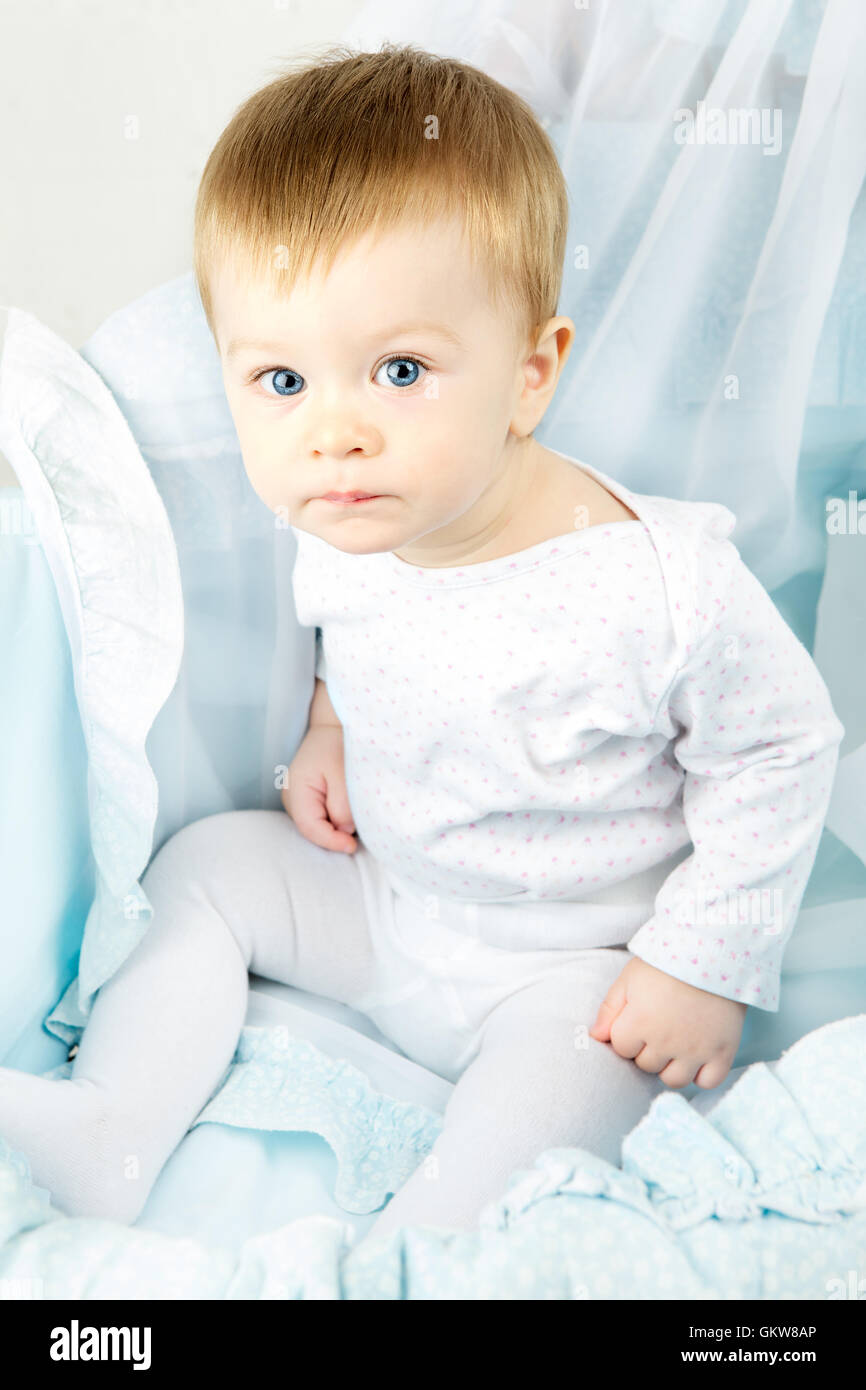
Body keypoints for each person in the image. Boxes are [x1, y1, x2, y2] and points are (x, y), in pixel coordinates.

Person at [0, 43, 844, 1245]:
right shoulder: (344, 517)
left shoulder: (658, 585)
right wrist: (329, 726)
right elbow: (351, 638)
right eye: (280, 379)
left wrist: (697, 963)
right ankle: (108, 1127)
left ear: (528, 373)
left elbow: (781, 746)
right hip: (387, 903)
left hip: (571, 970)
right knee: (203, 868)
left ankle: (419, 1248)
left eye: (399, 370)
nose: (333, 433)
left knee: (514, 1161)